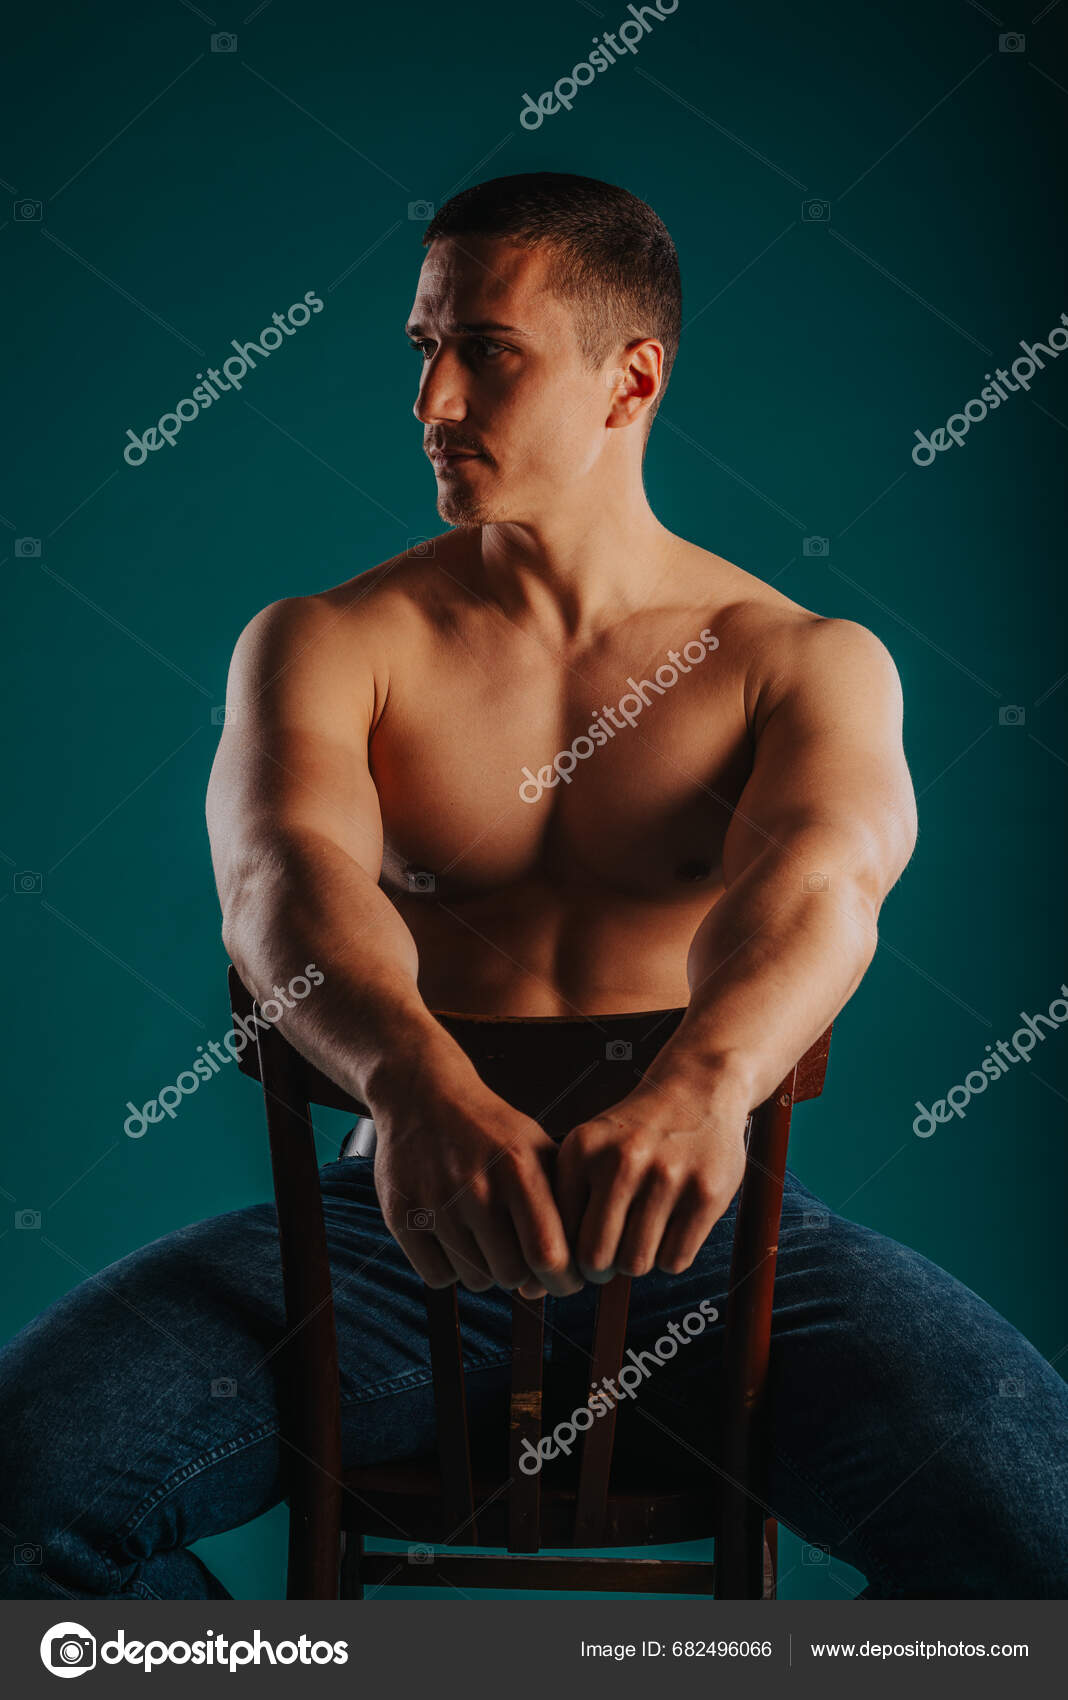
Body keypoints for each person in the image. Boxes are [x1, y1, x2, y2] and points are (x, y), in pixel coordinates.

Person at [1, 173, 1065, 1602]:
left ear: (631, 380)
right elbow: (279, 882)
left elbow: (826, 880)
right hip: (394, 1230)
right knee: (15, 1504)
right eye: (421, 347)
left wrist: (707, 1085)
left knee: (1038, 1536)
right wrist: (412, 1086)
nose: (433, 396)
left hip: (711, 1243)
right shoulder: (326, 642)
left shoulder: (797, 660)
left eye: (486, 350)